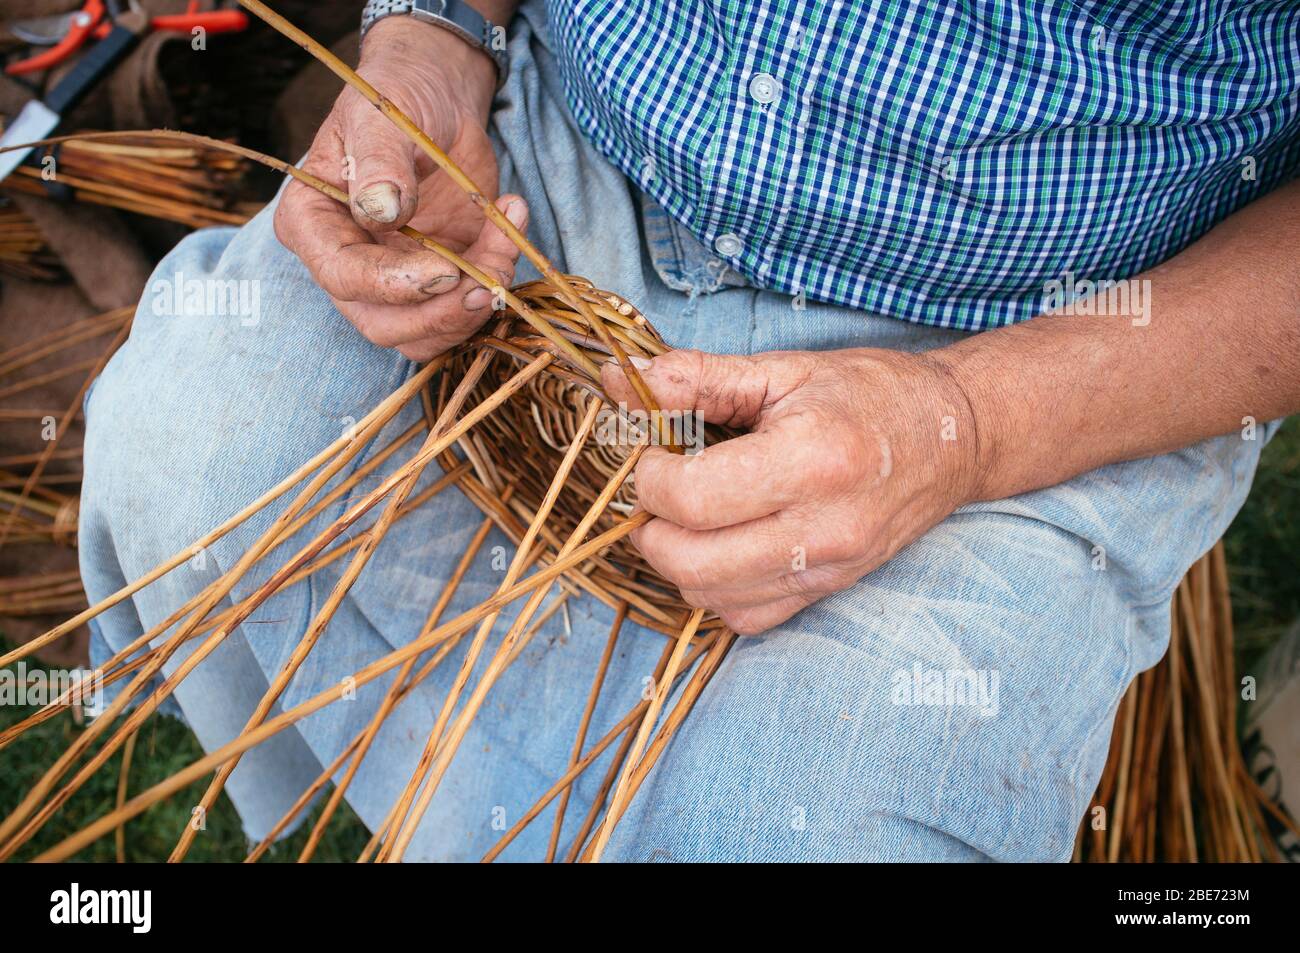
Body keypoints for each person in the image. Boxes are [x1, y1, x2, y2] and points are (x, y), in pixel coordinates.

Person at [79, 1, 1300, 860]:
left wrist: (964, 424)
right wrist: (436, 34)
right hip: (548, 168)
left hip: (1057, 335)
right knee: (200, 451)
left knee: (796, 820)